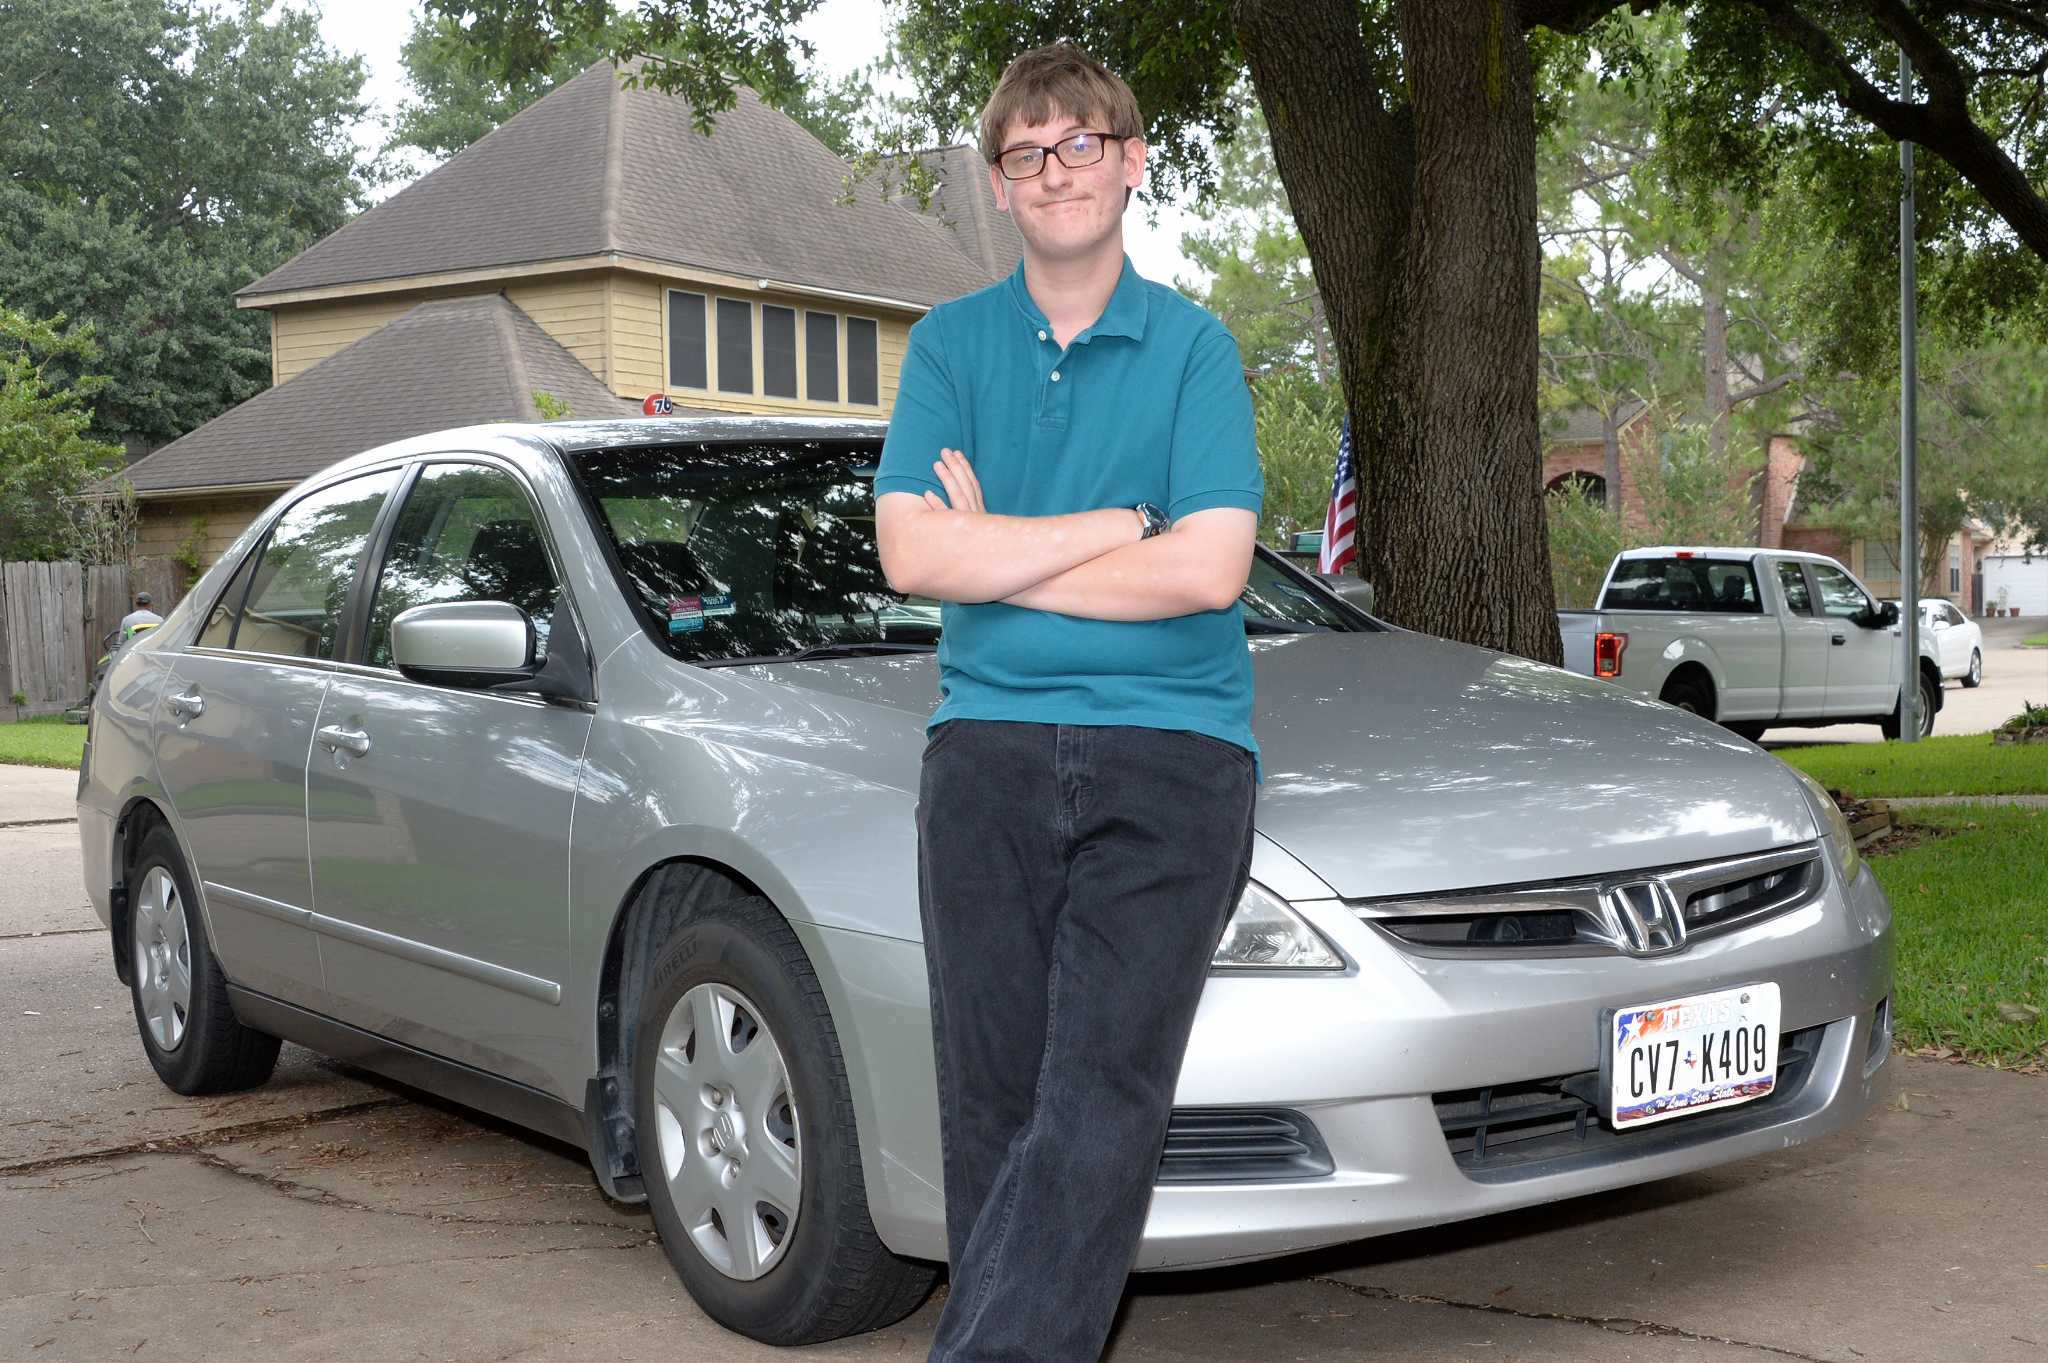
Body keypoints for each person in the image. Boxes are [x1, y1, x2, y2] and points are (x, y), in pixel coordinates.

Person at [871, 41, 1264, 1363]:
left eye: (1082, 142)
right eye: (1028, 152)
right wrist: (1107, 527)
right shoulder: (948, 347)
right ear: (999, 184)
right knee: (991, 1107)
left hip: (1177, 758)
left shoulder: (1198, 352)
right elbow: (916, 558)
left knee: (1099, 1096)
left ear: (1132, 161)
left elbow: (1208, 573)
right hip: (984, 756)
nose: (1057, 171)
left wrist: (1010, 556)